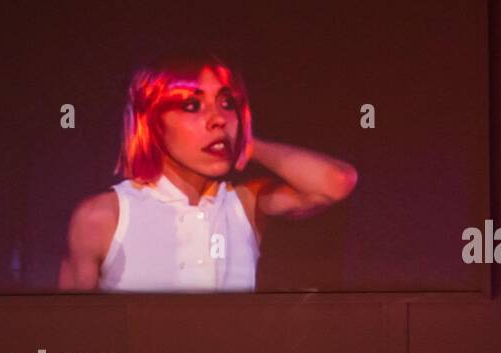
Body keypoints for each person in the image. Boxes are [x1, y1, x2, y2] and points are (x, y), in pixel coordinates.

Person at [59, 52, 357, 292]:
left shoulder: (244, 205)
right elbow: (71, 335)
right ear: (153, 122)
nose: (218, 119)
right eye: (192, 105)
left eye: (227, 103)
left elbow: (336, 182)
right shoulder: (103, 217)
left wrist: (250, 145)